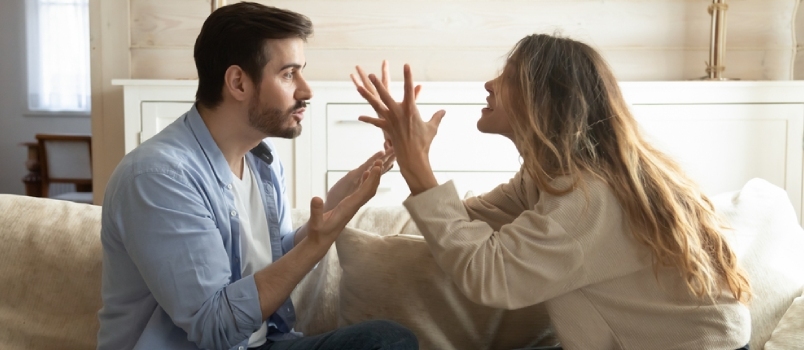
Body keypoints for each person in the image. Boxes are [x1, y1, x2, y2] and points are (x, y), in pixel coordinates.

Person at [352, 34, 751, 350]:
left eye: (506, 77)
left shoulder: (592, 197)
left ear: (543, 97)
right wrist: (409, 158)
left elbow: (491, 276)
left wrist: (417, 165)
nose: (488, 85)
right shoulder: (551, 177)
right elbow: (462, 223)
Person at [97, 3, 418, 350]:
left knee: (386, 341)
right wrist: (315, 244)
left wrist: (336, 207)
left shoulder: (262, 161)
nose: (306, 91)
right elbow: (214, 328)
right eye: (288, 74)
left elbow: (277, 264)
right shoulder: (158, 178)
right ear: (238, 82)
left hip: (262, 343)